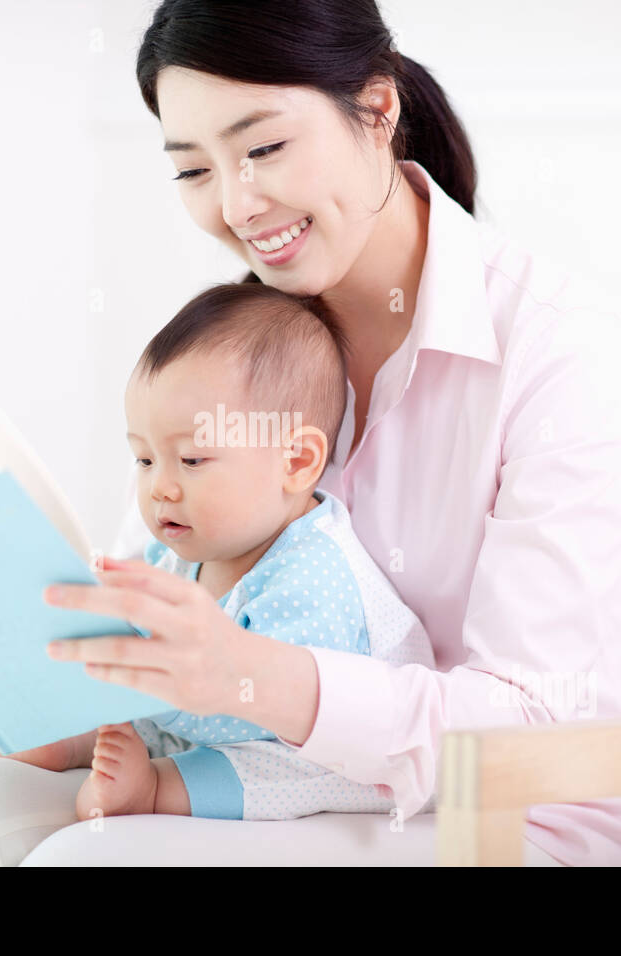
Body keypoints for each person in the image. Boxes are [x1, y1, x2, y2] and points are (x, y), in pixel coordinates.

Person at [0, 0, 621, 867]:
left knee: (91, 860)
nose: (237, 205)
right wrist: (22, 680)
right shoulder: (241, 343)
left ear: (377, 109)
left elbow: (534, 717)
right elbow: (156, 584)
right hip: (252, 793)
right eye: (193, 171)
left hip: (514, 822)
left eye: (263, 148)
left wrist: (257, 677)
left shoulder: (556, 348)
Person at [73, 281, 437, 822]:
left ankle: (155, 790)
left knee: (269, 770)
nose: (159, 489)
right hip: (199, 721)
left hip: (326, 753)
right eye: (145, 461)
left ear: (294, 462)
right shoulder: (186, 545)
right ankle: (53, 739)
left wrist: (138, 678)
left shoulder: (315, 572)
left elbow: (252, 708)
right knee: (107, 711)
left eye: (191, 461)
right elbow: (144, 622)